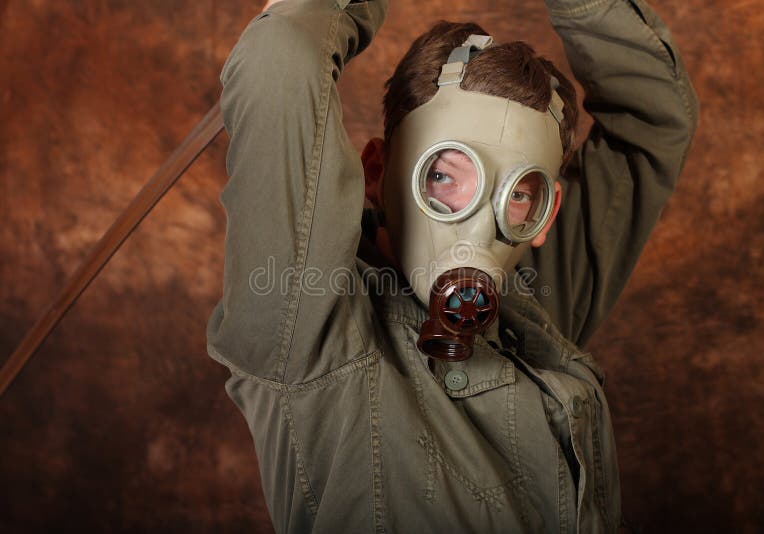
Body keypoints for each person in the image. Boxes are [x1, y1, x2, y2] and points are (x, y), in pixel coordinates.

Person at [206, 0, 698, 531]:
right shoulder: (311, 328)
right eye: (441, 176)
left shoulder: (532, 301)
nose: (478, 227)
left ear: (545, 214)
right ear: (377, 174)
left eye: (516, 193)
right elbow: (281, 55)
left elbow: (653, 118)